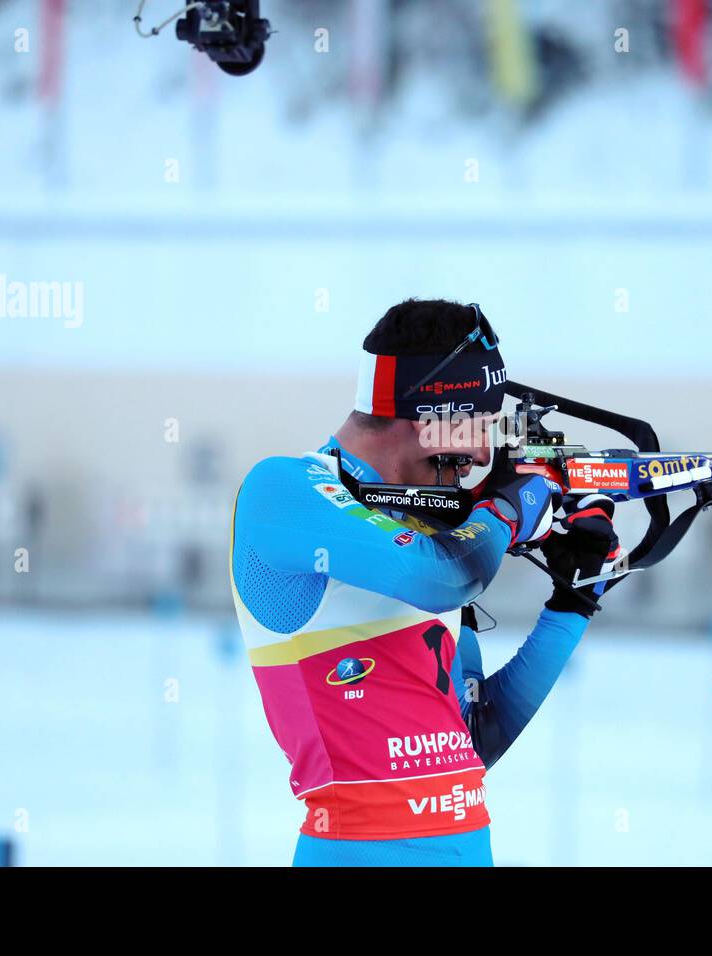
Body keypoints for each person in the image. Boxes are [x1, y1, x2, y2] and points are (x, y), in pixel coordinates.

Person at [229, 298, 625, 866]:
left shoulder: (431, 532)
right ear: (431, 415)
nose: (483, 456)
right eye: (479, 427)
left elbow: (474, 738)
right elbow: (438, 576)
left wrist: (574, 600)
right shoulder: (282, 490)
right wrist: (513, 507)